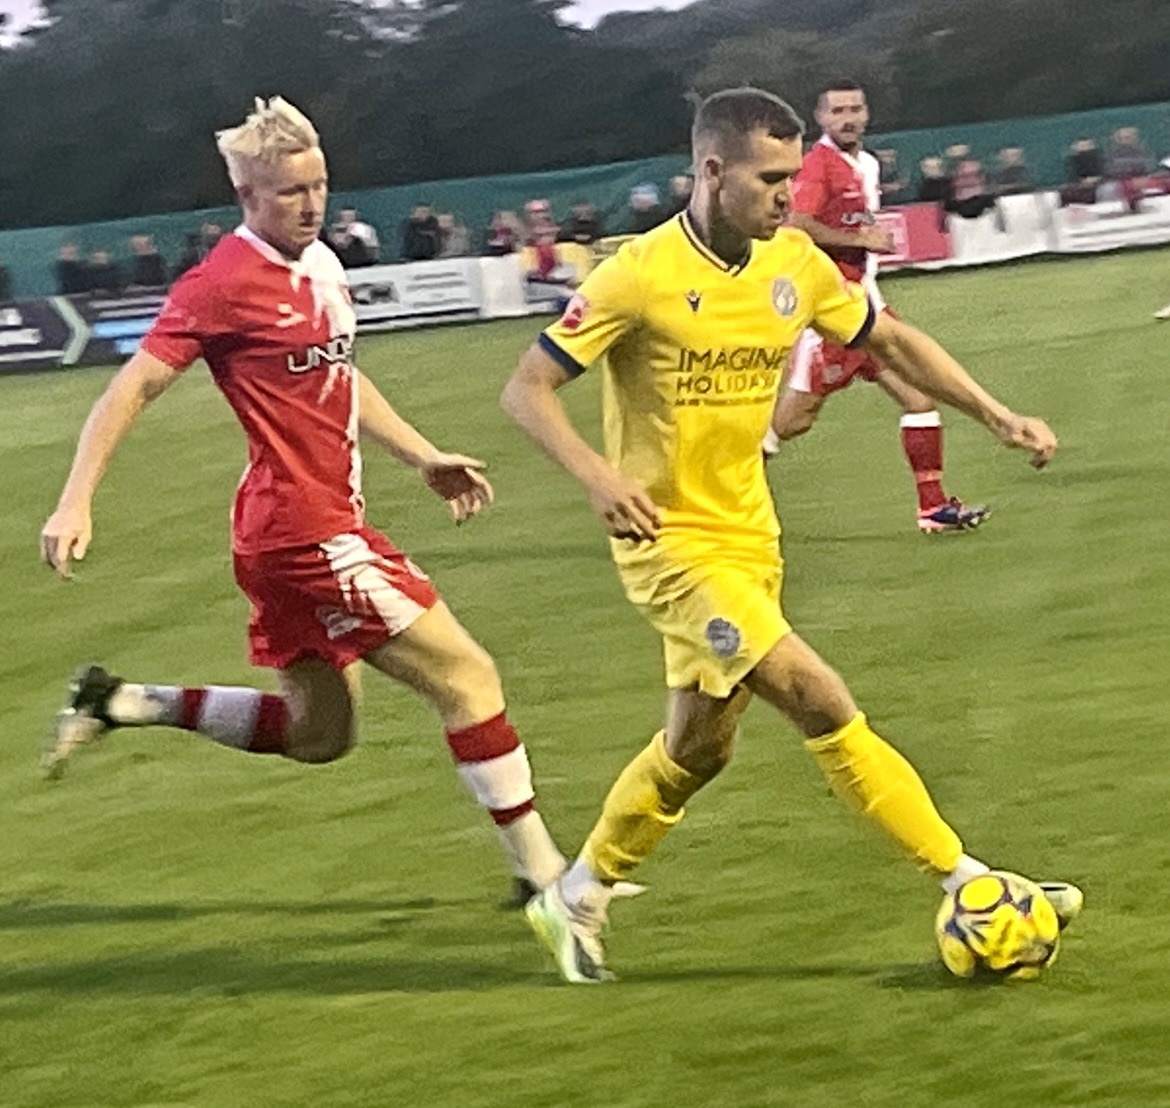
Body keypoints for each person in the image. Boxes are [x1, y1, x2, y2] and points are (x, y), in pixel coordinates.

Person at [501, 86, 1082, 984]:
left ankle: (571, 899)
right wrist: (599, 476)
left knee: (700, 748)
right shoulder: (639, 273)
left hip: (750, 538)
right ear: (711, 170)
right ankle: (969, 880)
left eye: (792, 175)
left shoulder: (797, 266)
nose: (787, 193)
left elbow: (892, 341)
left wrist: (996, 415)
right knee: (818, 695)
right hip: (671, 548)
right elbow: (526, 388)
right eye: (771, 177)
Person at [40, 96, 565, 905]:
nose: (313, 203)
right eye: (291, 192)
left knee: (320, 739)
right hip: (306, 535)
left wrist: (422, 455)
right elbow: (131, 388)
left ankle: (123, 701)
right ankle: (546, 885)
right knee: (469, 679)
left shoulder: (321, 265)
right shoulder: (218, 285)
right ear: (249, 197)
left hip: (284, 538)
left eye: (319, 185)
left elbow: (340, 373)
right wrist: (76, 500)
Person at [767, 80, 987, 533]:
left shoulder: (865, 163)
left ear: (866, 114)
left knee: (919, 396)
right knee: (789, 424)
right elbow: (797, 225)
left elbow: (855, 217)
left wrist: (868, 235)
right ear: (821, 119)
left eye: (856, 108)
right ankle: (705, 502)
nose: (848, 117)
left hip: (867, 306)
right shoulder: (818, 165)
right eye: (838, 110)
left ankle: (934, 509)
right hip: (830, 312)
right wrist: (859, 239)